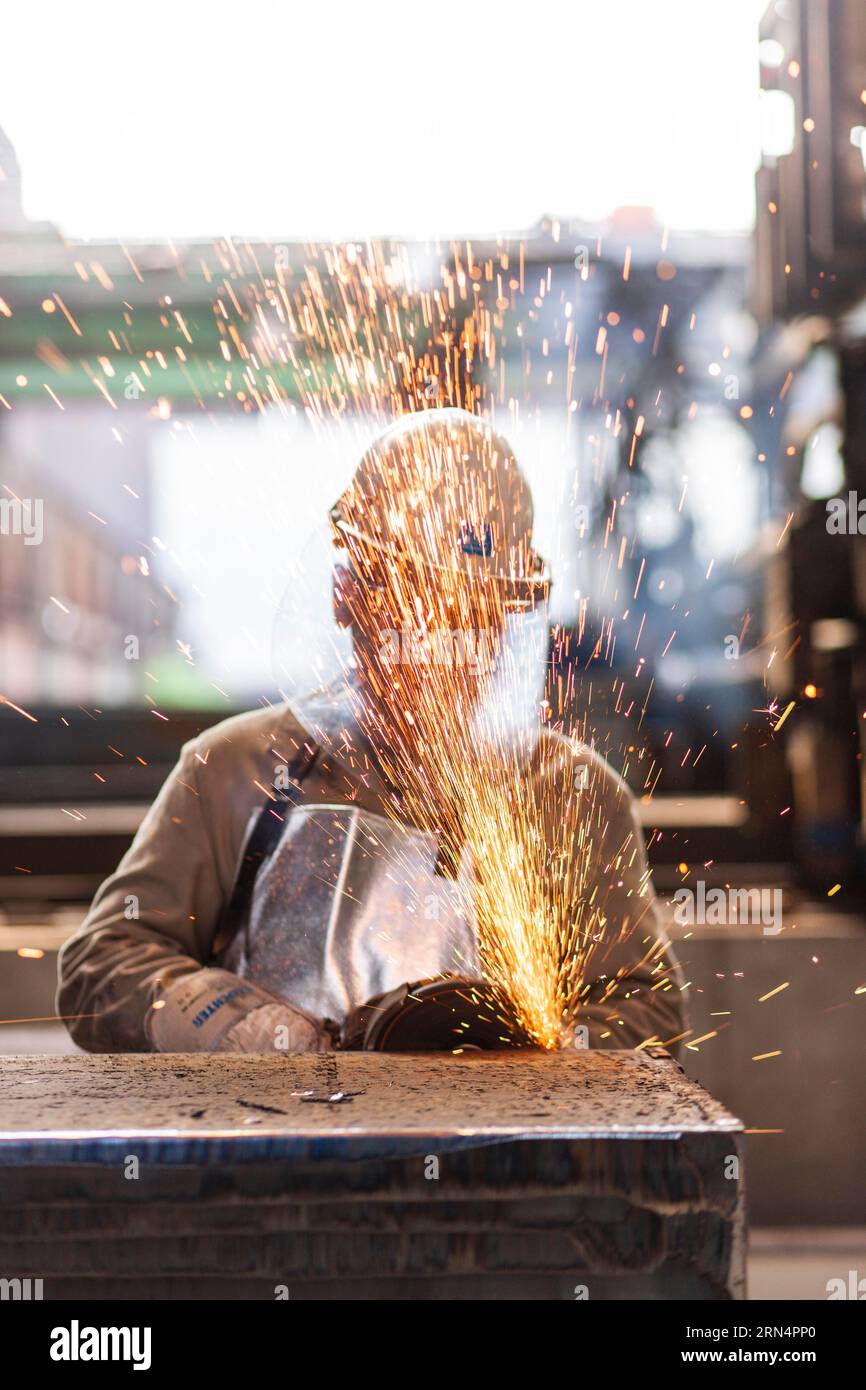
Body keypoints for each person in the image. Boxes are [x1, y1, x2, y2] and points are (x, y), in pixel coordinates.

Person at [57, 408, 684, 1054]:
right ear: (346, 594)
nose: (432, 652)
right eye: (404, 608)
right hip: (274, 1146)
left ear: (505, 617)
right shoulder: (237, 773)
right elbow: (101, 967)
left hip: (496, 1155)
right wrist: (236, 1024)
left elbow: (646, 1011)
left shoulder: (573, 797)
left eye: (464, 618)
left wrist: (535, 1057)